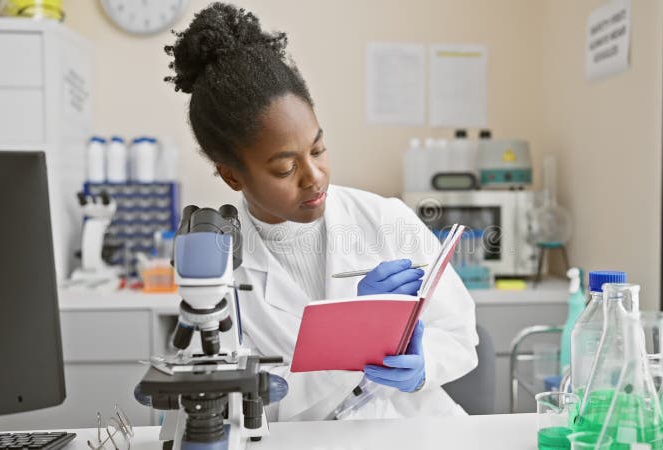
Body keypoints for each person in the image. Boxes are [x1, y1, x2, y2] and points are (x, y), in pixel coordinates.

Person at [165, 2, 478, 421]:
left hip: (413, 428)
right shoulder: (218, 266)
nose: (314, 177)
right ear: (232, 176)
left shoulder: (384, 219)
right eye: (285, 167)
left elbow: (460, 337)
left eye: (318, 149)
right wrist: (353, 337)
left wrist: (422, 368)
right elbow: (237, 403)